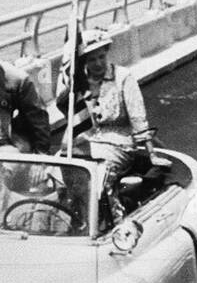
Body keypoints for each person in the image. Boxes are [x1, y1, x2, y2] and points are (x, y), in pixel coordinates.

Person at [56, 28, 155, 224]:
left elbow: (138, 119)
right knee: (60, 169)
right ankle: (71, 220)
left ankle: (114, 222)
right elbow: (64, 107)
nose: (98, 63)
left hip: (118, 143)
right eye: (92, 59)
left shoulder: (123, 77)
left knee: (100, 176)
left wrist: (152, 153)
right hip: (87, 140)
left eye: (101, 57)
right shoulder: (79, 82)